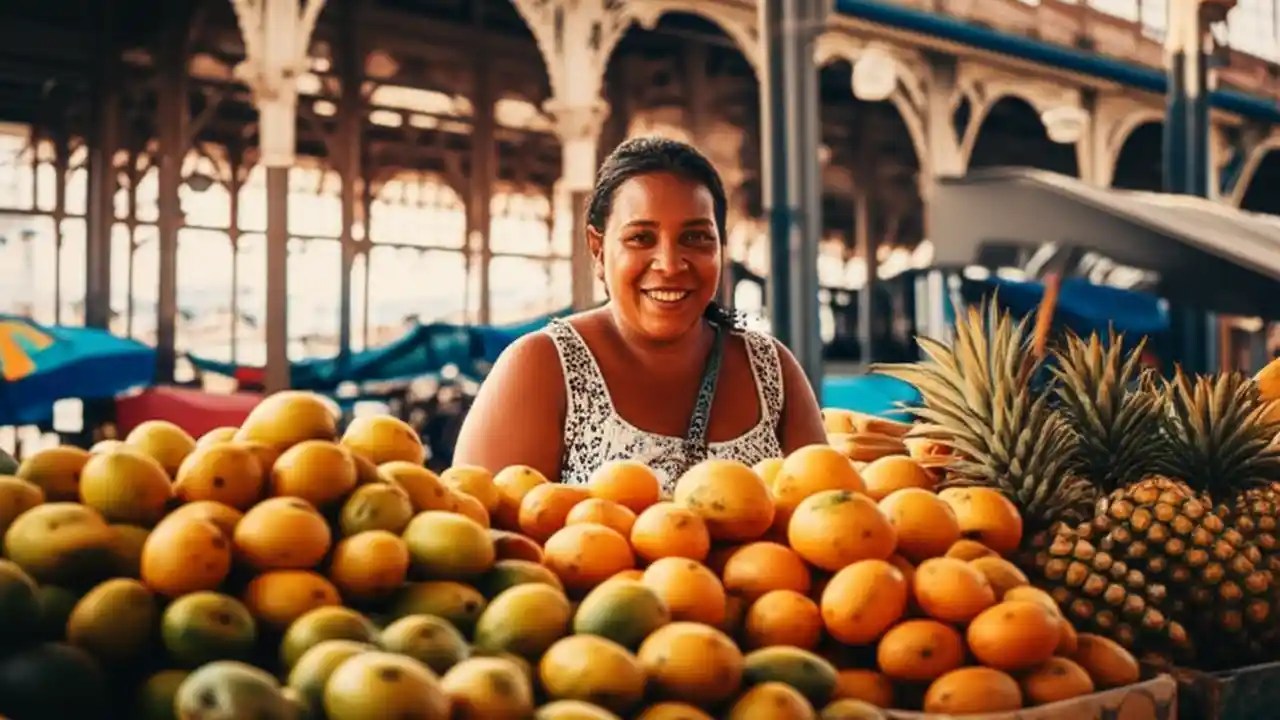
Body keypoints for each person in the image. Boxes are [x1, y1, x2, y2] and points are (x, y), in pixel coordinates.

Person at [453, 136, 827, 492]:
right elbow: (482, 536)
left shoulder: (771, 371)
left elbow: (827, 523)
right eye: (640, 238)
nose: (669, 264)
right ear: (598, 249)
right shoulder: (541, 366)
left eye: (695, 237)